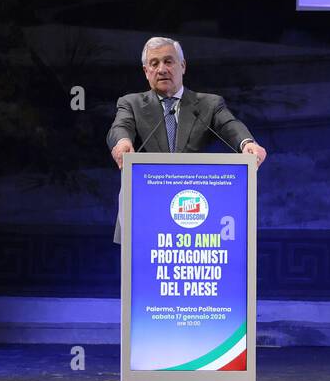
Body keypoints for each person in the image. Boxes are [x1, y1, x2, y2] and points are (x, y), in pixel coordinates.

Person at [107, 36, 267, 244]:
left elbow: (229, 125)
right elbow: (120, 127)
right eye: (154, 64)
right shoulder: (132, 103)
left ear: (182, 66)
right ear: (146, 72)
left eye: (169, 61)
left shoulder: (209, 104)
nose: (162, 69)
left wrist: (247, 143)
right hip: (147, 208)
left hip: (196, 213)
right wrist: (122, 142)